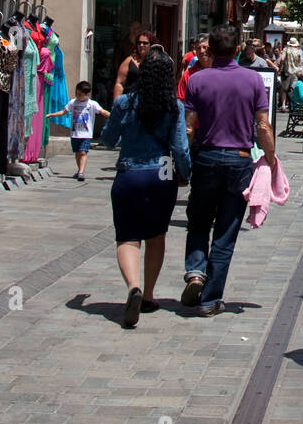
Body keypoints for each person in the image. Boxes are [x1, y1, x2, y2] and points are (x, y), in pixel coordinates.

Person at [182, 22, 274, 316]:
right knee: (226, 229)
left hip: (206, 156)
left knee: (198, 219)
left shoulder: (198, 80)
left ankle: (196, 272)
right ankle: (210, 299)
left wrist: (185, 160)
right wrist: (270, 157)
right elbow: (263, 124)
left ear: (211, 47)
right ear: (237, 49)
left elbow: (187, 128)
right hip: (239, 157)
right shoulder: (253, 80)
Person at [99, 50, 191, 326]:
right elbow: (180, 149)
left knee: (127, 237)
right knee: (156, 236)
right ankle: (150, 295)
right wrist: (186, 174)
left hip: (129, 174)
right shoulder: (174, 107)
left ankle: (133, 288)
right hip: (161, 176)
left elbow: (108, 139)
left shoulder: (124, 103)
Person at [48, 80, 107, 181]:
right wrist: (51, 115)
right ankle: (79, 169)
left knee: (83, 152)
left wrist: (113, 116)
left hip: (86, 134)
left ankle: (81, 172)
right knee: (77, 152)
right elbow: (64, 111)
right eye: (77, 94)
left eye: (80, 95)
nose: (78, 96)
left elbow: (102, 111)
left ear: (87, 94)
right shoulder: (73, 102)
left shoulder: (92, 104)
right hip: (75, 134)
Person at [113, 26, 154, 99]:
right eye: (139, 43)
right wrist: (116, 104)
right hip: (130, 102)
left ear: (151, 45)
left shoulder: (156, 62)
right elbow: (119, 84)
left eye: (145, 43)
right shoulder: (129, 61)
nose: (141, 45)